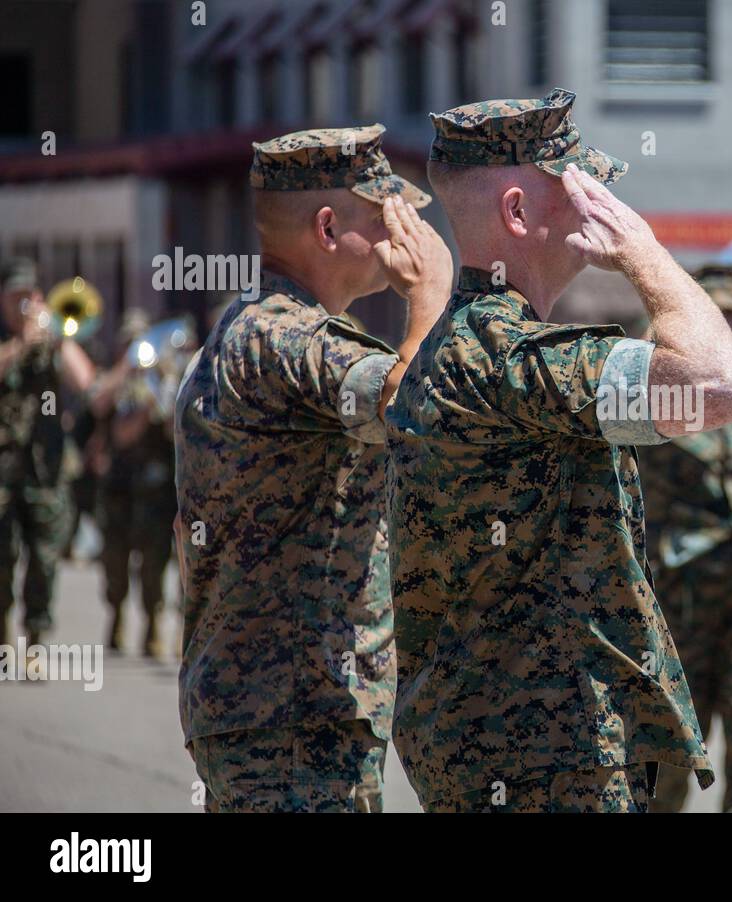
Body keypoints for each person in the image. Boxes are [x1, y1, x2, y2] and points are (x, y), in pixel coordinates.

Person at [386, 88, 732, 813]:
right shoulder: (504, 354)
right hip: (542, 759)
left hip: (506, 747)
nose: (597, 204)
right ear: (519, 212)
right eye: (576, 186)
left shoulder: (471, 345)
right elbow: (722, 385)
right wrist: (646, 256)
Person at [174, 125, 453, 812]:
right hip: (293, 718)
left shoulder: (251, 326)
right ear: (327, 228)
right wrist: (433, 297)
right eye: (385, 215)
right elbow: (412, 410)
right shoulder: (283, 335)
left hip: (276, 708)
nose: (405, 231)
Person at [639, 263, 732, 812]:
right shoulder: (661, 387)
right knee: (670, 743)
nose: (726, 329)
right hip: (677, 604)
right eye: (714, 317)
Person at [0, 258, 96, 672]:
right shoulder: (9, 341)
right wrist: (22, 342)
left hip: (46, 470)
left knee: (44, 558)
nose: (24, 304)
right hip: (4, 468)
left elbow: (86, 383)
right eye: (16, 297)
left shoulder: (52, 337)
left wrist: (58, 336)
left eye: (30, 296)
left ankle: (36, 642)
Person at [88, 309, 177, 658]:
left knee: (154, 561)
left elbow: (173, 427)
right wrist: (126, 368)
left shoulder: (162, 379)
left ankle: (152, 623)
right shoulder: (114, 379)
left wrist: (158, 383)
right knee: (115, 561)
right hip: (118, 487)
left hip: (153, 488)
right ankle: (116, 615)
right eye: (130, 342)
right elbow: (100, 407)